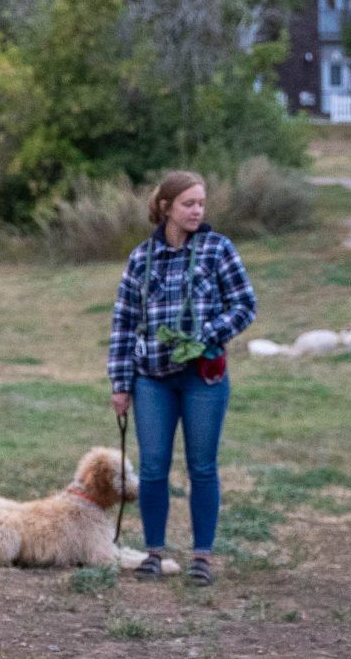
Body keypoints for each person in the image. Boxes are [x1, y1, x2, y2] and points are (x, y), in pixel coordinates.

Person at [107, 170, 257, 585]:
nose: (196, 211)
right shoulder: (141, 258)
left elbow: (245, 305)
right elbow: (124, 322)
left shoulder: (217, 250)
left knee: (202, 467)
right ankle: (154, 553)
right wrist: (121, 383)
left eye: (201, 204)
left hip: (203, 379)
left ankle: (202, 558)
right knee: (153, 467)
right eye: (188, 204)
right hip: (151, 378)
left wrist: (206, 335)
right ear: (165, 207)